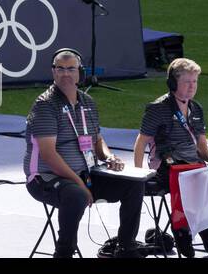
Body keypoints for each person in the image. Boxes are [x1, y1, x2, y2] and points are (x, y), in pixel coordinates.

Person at [24, 48, 145, 257]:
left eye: (71, 69)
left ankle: (126, 247)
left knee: (134, 185)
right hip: (45, 179)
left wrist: (108, 157)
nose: (65, 74)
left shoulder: (87, 103)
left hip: (84, 175)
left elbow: (97, 139)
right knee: (76, 195)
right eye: (60, 69)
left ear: (80, 73)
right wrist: (81, 184)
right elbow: (49, 155)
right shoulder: (45, 105)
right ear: (53, 72)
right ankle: (64, 252)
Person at [134, 58, 208, 257]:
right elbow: (140, 143)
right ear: (173, 83)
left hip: (196, 164)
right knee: (206, 180)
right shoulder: (158, 108)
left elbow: (201, 143)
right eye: (187, 82)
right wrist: (138, 174)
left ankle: (200, 224)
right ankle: (186, 232)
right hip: (169, 165)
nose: (192, 86)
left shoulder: (196, 109)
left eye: (195, 81)